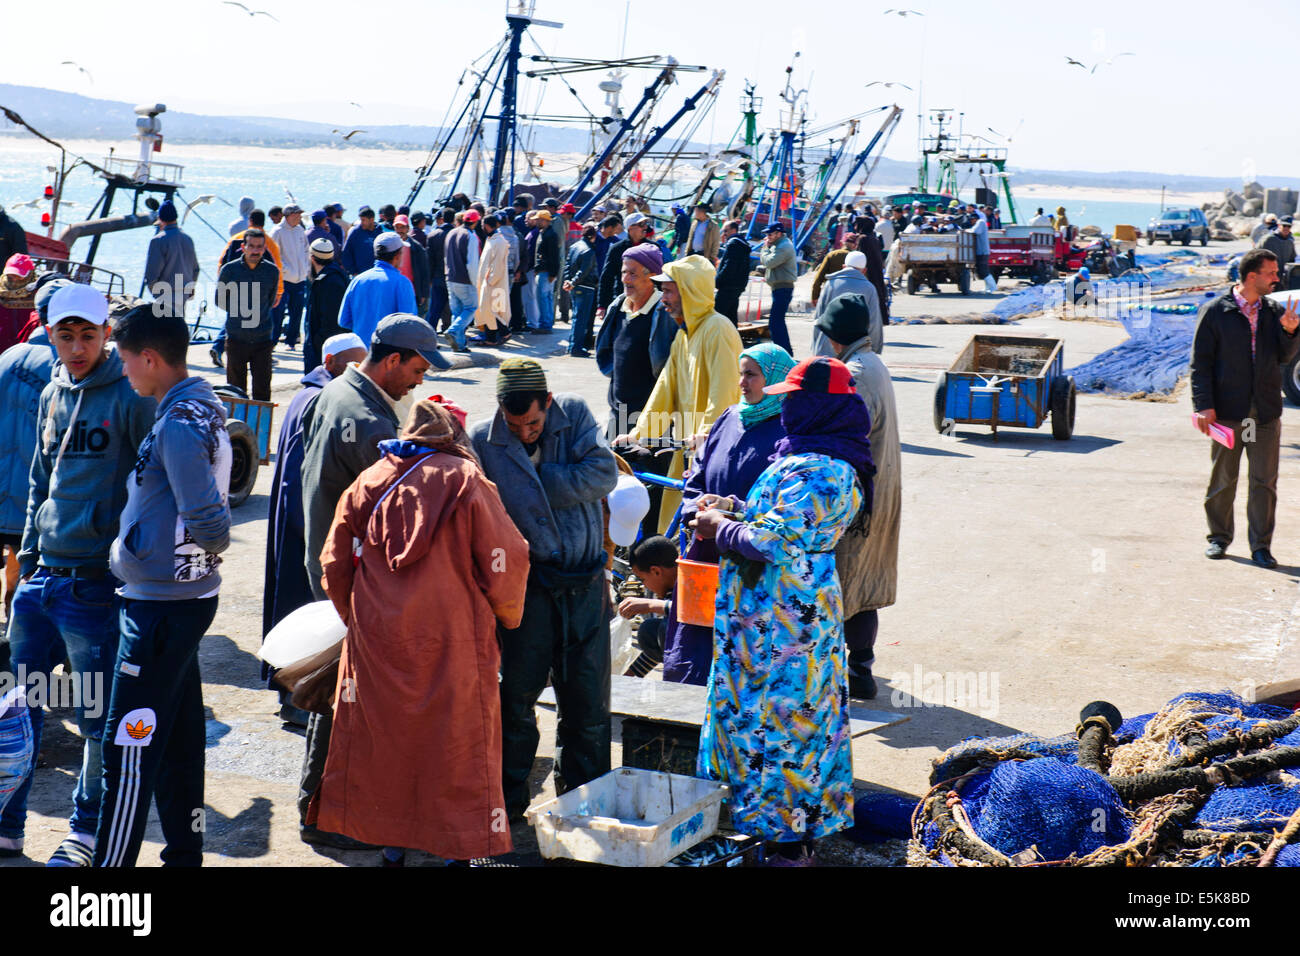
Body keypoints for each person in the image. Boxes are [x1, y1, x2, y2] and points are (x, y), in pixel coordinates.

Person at [315, 399, 529, 865]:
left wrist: (358, 618)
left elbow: (333, 562)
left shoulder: (369, 479)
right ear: (454, 435)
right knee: (457, 743)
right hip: (455, 637)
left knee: (387, 741)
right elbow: (507, 555)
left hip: (379, 639)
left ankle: (392, 847)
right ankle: (456, 851)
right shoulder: (468, 480)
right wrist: (507, 613)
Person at [691, 355, 872, 864]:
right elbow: (781, 523)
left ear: (817, 406)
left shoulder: (823, 469)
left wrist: (718, 527)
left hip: (782, 626)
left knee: (783, 726)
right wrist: (735, 509)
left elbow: (771, 542)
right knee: (775, 722)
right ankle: (772, 830)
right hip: (773, 620)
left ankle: (789, 844)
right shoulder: (820, 457)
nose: (787, 409)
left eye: (793, 399)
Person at [0, 284, 155, 867]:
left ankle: (85, 834)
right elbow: (39, 482)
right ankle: (8, 826)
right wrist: (28, 564)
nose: (77, 347)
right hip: (42, 579)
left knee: (94, 720)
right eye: (65, 336)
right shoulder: (51, 391)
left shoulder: (131, 395)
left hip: (94, 583)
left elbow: (152, 485)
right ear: (50, 334)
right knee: (20, 710)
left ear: (107, 334)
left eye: (88, 335)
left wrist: (127, 566)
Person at [90, 305, 231, 867]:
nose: (122, 370)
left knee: (127, 750)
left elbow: (208, 517)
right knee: (178, 739)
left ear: (149, 358)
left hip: (161, 609)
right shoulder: (197, 406)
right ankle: (184, 854)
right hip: (178, 602)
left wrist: (193, 554)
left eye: (125, 360)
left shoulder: (177, 422)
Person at [297, 315, 441, 848]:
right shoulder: (369, 423)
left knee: (339, 691)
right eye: (418, 370)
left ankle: (321, 808)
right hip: (350, 578)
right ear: (392, 360)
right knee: (349, 698)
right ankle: (326, 817)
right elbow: (402, 515)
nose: (419, 382)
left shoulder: (337, 389)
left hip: (327, 561)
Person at [469, 359, 619, 818]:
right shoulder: (481, 439)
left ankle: (583, 801)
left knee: (587, 701)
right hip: (525, 592)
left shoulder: (575, 413)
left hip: (584, 584)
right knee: (514, 698)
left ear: (548, 403)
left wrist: (534, 483)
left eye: (533, 423)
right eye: (514, 424)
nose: (524, 433)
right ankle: (505, 805)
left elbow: (603, 475)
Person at [669, 343, 795, 685]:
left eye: (751, 375)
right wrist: (696, 509)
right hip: (706, 553)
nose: (742, 383)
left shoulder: (787, 432)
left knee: (740, 659)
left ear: (775, 379)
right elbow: (696, 476)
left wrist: (731, 517)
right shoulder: (729, 417)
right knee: (694, 642)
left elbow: (779, 508)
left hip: (750, 562)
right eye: (741, 374)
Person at [262, 332, 366, 724]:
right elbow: (303, 474)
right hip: (304, 526)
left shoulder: (310, 394)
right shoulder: (321, 399)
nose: (357, 372)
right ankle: (298, 700)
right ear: (330, 362)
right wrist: (317, 537)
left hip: (298, 522)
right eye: (352, 364)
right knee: (305, 616)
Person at [814, 295, 900, 699]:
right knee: (864, 586)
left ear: (835, 337)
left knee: (844, 584)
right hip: (881, 488)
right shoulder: (874, 363)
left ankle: (848, 674)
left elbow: (847, 437)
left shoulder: (855, 374)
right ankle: (861, 669)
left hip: (861, 496)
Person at [617, 255, 743, 530]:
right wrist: (638, 434)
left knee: (697, 526)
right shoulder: (684, 336)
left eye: (668, 291)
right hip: (688, 448)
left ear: (690, 291)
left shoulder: (718, 329)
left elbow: (724, 393)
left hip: (710, 451)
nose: (663, 298)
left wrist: (707, 436)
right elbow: (664, 390)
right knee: (674, 524)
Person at [1192, 248, 1300, 568]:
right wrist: (1203, 406)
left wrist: (1290, 331)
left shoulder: (1273, 311)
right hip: (1228, 413)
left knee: (1263, 483)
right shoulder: (1215, 311)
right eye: (1271, 273)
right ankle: (1218, 538)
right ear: (1252, 276)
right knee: (1223, 480)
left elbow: (1283, 357)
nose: (1277, 278)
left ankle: (1261, 547)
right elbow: (1200, 364)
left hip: (1263, 414)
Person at [0, 282, 60, 624]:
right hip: (29, 502)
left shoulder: (8, 356)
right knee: (22, 577)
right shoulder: (64, 370)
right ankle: (14, 628)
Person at [215, 228, 279, 401]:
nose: (255, 250)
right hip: (236, 338)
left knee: (263, 392)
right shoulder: (229, 270)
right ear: (243, 247)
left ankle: (261, 421)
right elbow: (220, 300)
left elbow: (270, 301)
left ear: (265, 248)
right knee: (235, 393)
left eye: (259, 247)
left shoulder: (272, 271)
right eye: (251, 246)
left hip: (263, 339)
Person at [338, 233, 421, 349]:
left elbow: (344, 320)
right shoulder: (402, 283)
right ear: (398, 255)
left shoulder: (357, 280)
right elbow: (409, 326)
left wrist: (364, 329)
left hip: (360, 351)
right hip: (389, 353)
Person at [812, 250, 883, 357]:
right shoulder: (869, 288)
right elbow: (874, 321)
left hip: (827, 349)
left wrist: (816, 346)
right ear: (864, 270)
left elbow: (818, 317)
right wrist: (874, 348)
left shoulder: (830, 285)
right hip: (855, 349)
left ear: (843, 267)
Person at [143, 201, 198, 318]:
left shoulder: (158, 241)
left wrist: (157, 294)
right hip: (183, 297)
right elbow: (196, 269)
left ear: (160, 218)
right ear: (175, 217)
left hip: (165, 297)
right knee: (178, 327)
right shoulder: (188, 239)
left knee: (164, 329)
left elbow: (151, 275)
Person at [303, 237, 350, 372]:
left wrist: (316, 343)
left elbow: (330, 322)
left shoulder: (329, 281)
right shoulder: (337, 275)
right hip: (329, 349)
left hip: (324, 353)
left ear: (312, 258)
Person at [270, 205, 310, 349]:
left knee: (297, 312)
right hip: (283, 280)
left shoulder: (300, 231)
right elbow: (273, 254)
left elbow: (306, 250)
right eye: (297, 214)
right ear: (289, 215)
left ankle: (291, 341)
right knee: (277, 311)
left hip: (300, 279)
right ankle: (272, 341)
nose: (299, 217)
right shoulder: (277, 231)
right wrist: (285, 270)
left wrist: (305, 268)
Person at [468, 213, 511, 348]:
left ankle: (503, 333)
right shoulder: (492, 239)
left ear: (486, 225)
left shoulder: (499, 241)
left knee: (492, 311)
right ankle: (492, 338)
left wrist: (490, 280)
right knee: (489, 311)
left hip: (494, 283)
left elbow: (498, 264)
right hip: (488, 282)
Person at [443, 210, 481, 352]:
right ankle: (452, 331)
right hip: (465, 279)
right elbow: (472, 263)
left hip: (450, 277)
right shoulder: (470, 236)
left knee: (457, 312)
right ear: (475, 222)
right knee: (471, 308)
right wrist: (475, 282)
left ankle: (459, 345)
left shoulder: (451, 233)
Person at [597, 211, 649, 315]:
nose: (645, 227)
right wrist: (602, 305)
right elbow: (607, 278)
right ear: (630, 228)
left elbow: (659, 275)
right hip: (623, 301)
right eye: (641, 224)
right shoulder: (617, 249)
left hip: (647, 301)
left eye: (645, 224)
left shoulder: (652, 248)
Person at [758, 222, 796, 354]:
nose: (767, 237)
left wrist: (765, 248)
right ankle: (784, 350)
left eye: (770, 234)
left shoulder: (783, 246)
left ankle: (784, 351)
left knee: (775, 322)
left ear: (779, 234)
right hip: (780, 287)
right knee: (777, 321)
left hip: (783, 288)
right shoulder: (779, 244)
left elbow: (769, 262)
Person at [563, 222, 599, 357]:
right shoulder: (589, 250)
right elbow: (584, 271)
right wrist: (572, 282)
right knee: (581, 319)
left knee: (576, 318)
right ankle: (576, 348)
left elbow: (567, 265)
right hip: (585, 287)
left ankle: (572, 346)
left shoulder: (574, 247)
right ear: (593, 236)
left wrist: (568, 281)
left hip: (574, 287)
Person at [714, 219, 752, 323]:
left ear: (734, 230)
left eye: (726, 231)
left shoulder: (733, 244)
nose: (724, 234)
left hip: (728, 287)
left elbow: (729, 266)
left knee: (716, 316)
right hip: (737, 286)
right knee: (731, 317)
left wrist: (717, 281)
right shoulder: (742, 244)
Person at [809, 233, 859, 309]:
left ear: (842, 242)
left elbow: (819, 278)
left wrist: (815, 296)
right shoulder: (856, 258)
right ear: (855, 245)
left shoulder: (832, 255)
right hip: (850, 297)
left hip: (830, 294)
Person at [392, 215, 430, 315]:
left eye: (402, 227)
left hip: (412, 290)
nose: (399, 230)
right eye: (397, 227)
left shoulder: (417, 247)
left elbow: (425, 272)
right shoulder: (390, 247)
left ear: (408, 228)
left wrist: (423, 294)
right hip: (394, 290)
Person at [425, 207, 454, 333]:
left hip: (437, 276)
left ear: (442, 219)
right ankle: (453, 333)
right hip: (454, 276)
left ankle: (430, 334)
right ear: (453, 219)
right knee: (455, 308)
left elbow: (429, 260)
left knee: (435, 309)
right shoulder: (457, 234)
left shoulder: (433, 235)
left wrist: (429, 279)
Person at [533, 209, 561, 331]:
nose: (536, 222)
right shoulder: (546, 233)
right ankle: (547, 323)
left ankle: (544, 325)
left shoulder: (549, 235)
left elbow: (554, 256)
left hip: (546, 272)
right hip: (546, 271)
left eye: (538, 220)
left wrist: (553, 273)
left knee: (543, 299)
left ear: (545, 221)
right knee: (547, 298)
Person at [341, 206, 382, 277]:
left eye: (363, 220)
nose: (361, 223)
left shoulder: (379, 232)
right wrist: (353, 271)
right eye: (361, 220)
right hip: (359, 275)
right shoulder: (355, 232)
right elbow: (346, 253)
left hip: (376, 274)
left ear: (371, 220)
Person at [1260, 216, 1295, 281]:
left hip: (1283, 279)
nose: (1286, 228)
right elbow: (1256, 257)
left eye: (1289, 226)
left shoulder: (1290, 242)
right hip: (1268, 278)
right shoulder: (1268, 239)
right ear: (1279, 225)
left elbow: (1292, 260)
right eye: (1284, 225)